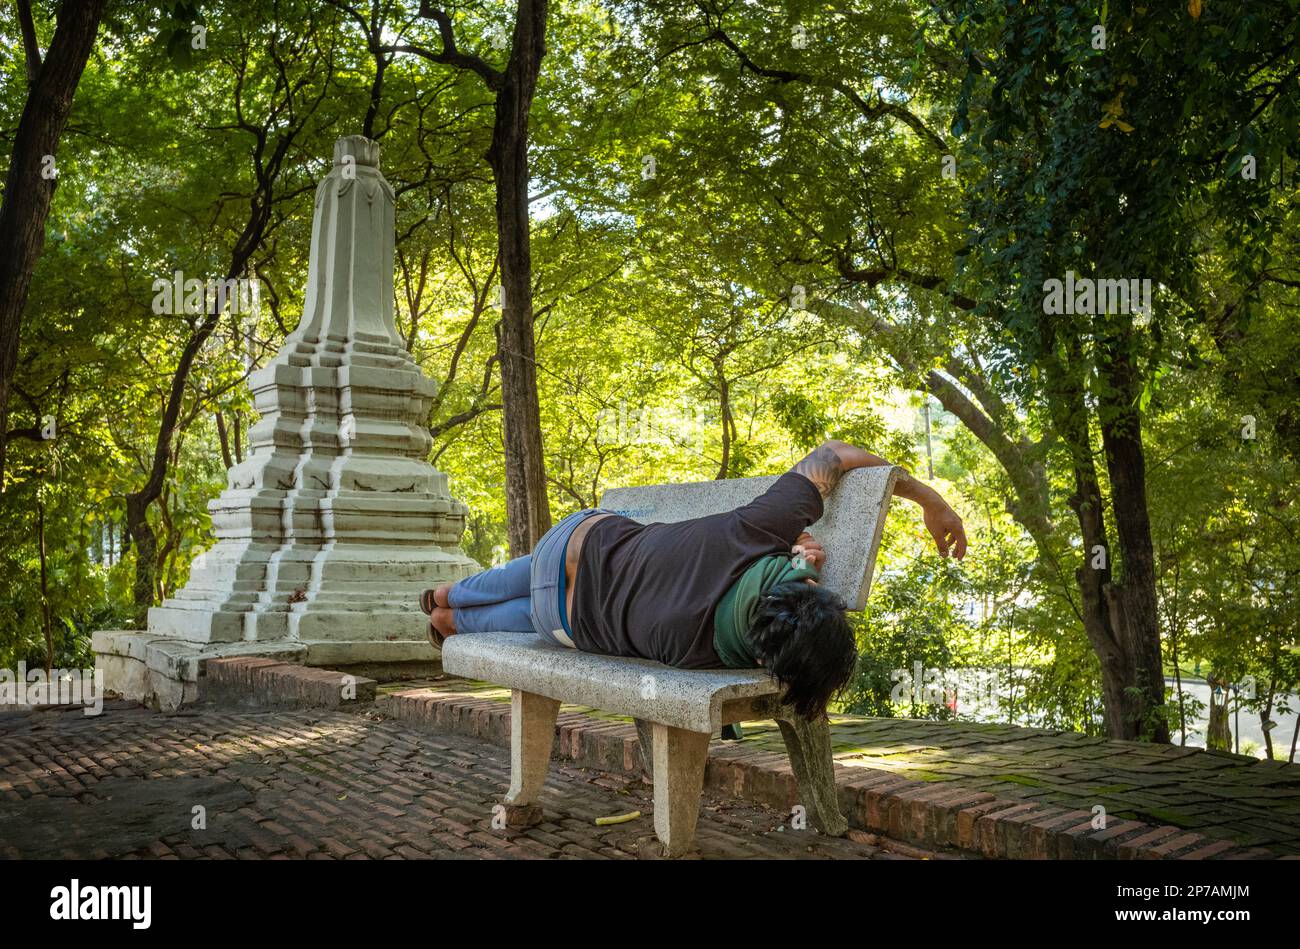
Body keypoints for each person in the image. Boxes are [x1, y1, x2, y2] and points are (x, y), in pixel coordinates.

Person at [420, 439, 967, 718]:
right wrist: (799, 577)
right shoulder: (703, 654)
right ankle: (451, 620)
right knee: (527, 611)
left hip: (572, 545)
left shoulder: (755, 531)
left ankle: (448, 595)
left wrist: (931, 501)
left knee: (523, 573)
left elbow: (832, 455)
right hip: (563, 623)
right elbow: (751, 621)